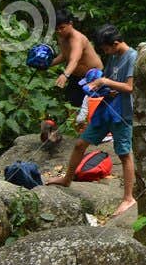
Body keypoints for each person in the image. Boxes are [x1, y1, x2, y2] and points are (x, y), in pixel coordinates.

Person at [47, 23, 136, 221]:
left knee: (124, 154)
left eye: (105, 48)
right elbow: (111, 80)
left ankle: (128, 198)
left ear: (114, 43)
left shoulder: (132, 57)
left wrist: (105, 82)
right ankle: (67, 179)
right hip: (106, 107)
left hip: (122, 112)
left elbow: (129, 87)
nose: (104, 52)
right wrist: (101, 84)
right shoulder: (113, 56)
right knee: (80, 143)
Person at [51, 10, 102, 119]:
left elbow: (74, 59)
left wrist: (65, 75)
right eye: (57, 29)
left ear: (70, 24)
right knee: (72, 105)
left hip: (93, 77)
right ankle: (74, 130)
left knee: (90, 109)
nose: (59, 31)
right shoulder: (61, 37)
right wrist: (48, 64)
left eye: (62, 27)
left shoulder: (77, 39)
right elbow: (65, 55)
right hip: (75, 77)